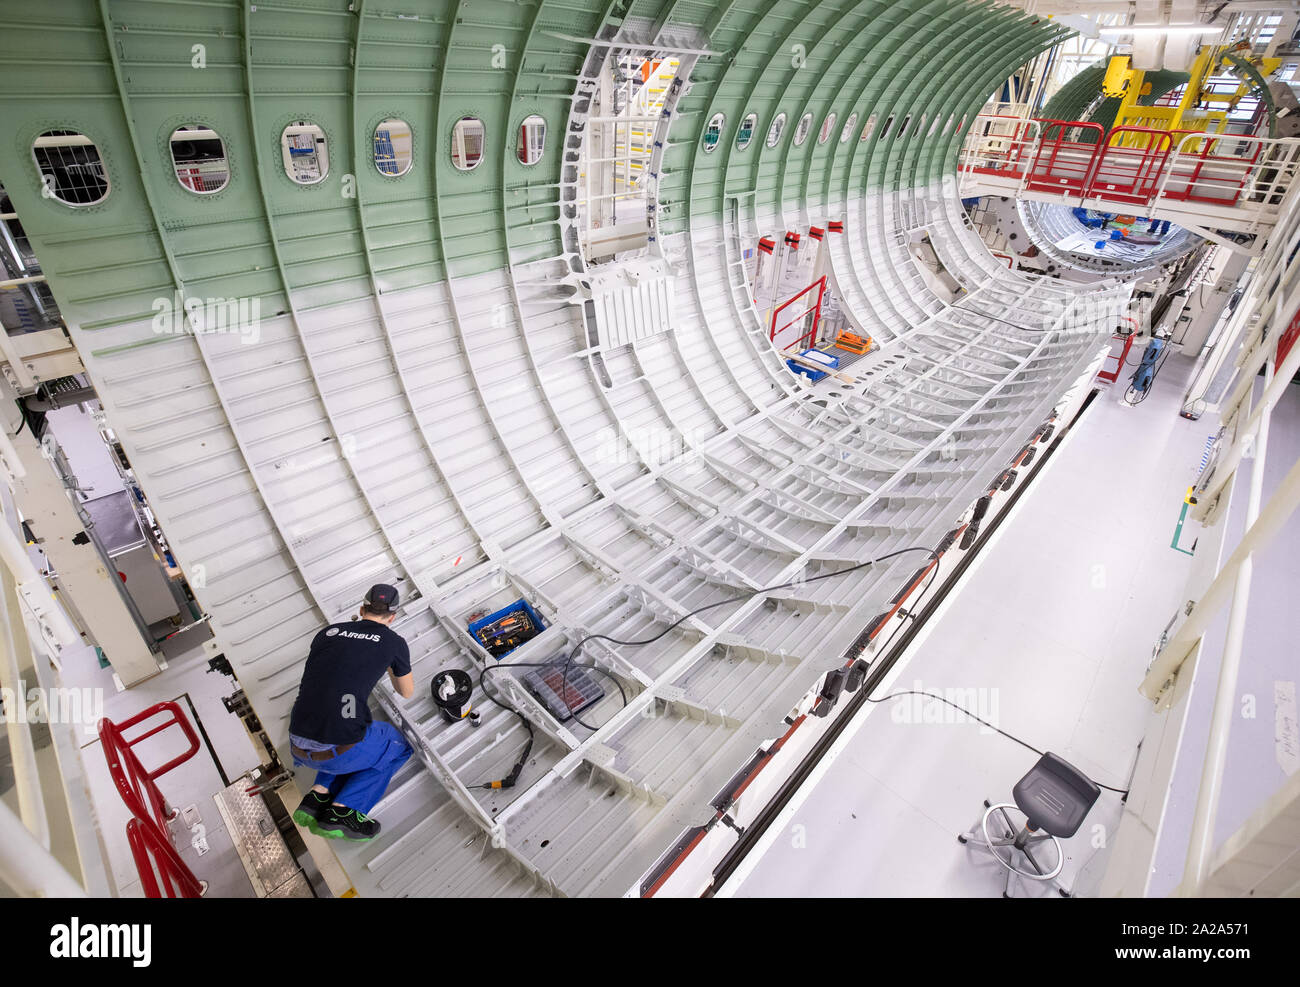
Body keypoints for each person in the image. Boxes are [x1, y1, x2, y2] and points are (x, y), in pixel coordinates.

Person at [287, 584, 415, 841]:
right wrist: (389, 664)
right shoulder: (394, 642)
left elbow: (334, 667)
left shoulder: (328, 633)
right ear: (392, 617)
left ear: (361, 608)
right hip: (336, 752)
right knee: (397, 744)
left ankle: (319, 793)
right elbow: (406, 692)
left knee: (346, 724)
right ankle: (345, 811)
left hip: (297, 741)